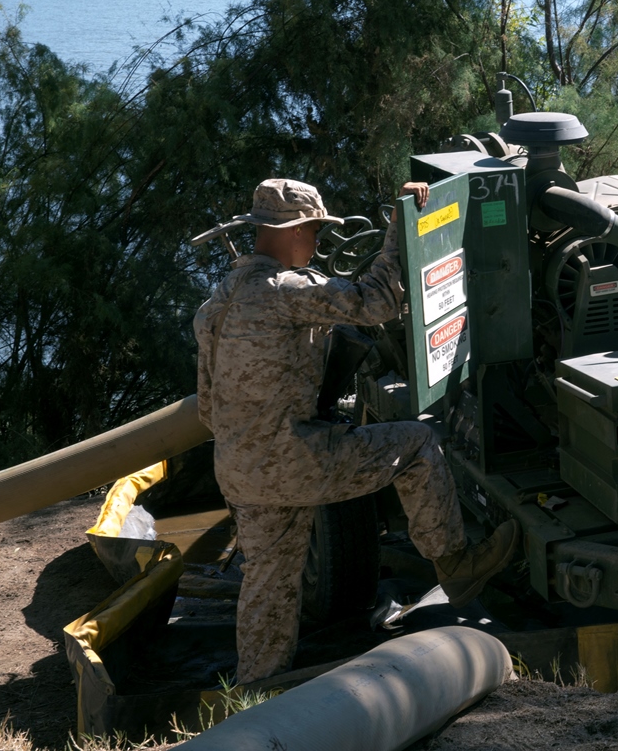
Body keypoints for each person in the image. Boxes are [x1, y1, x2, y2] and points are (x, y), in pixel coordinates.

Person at [193, 177, 519, 684]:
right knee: (418, 444)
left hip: (239, 469)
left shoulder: (220, 300)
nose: (319, 241)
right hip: (293, 460)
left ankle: (255, 691)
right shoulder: (287, 291)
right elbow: (377, 302)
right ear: (294, 229)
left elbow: (208, 406)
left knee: (267, 583)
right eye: (316, 230)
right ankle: (457, 566)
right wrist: (400, 223)